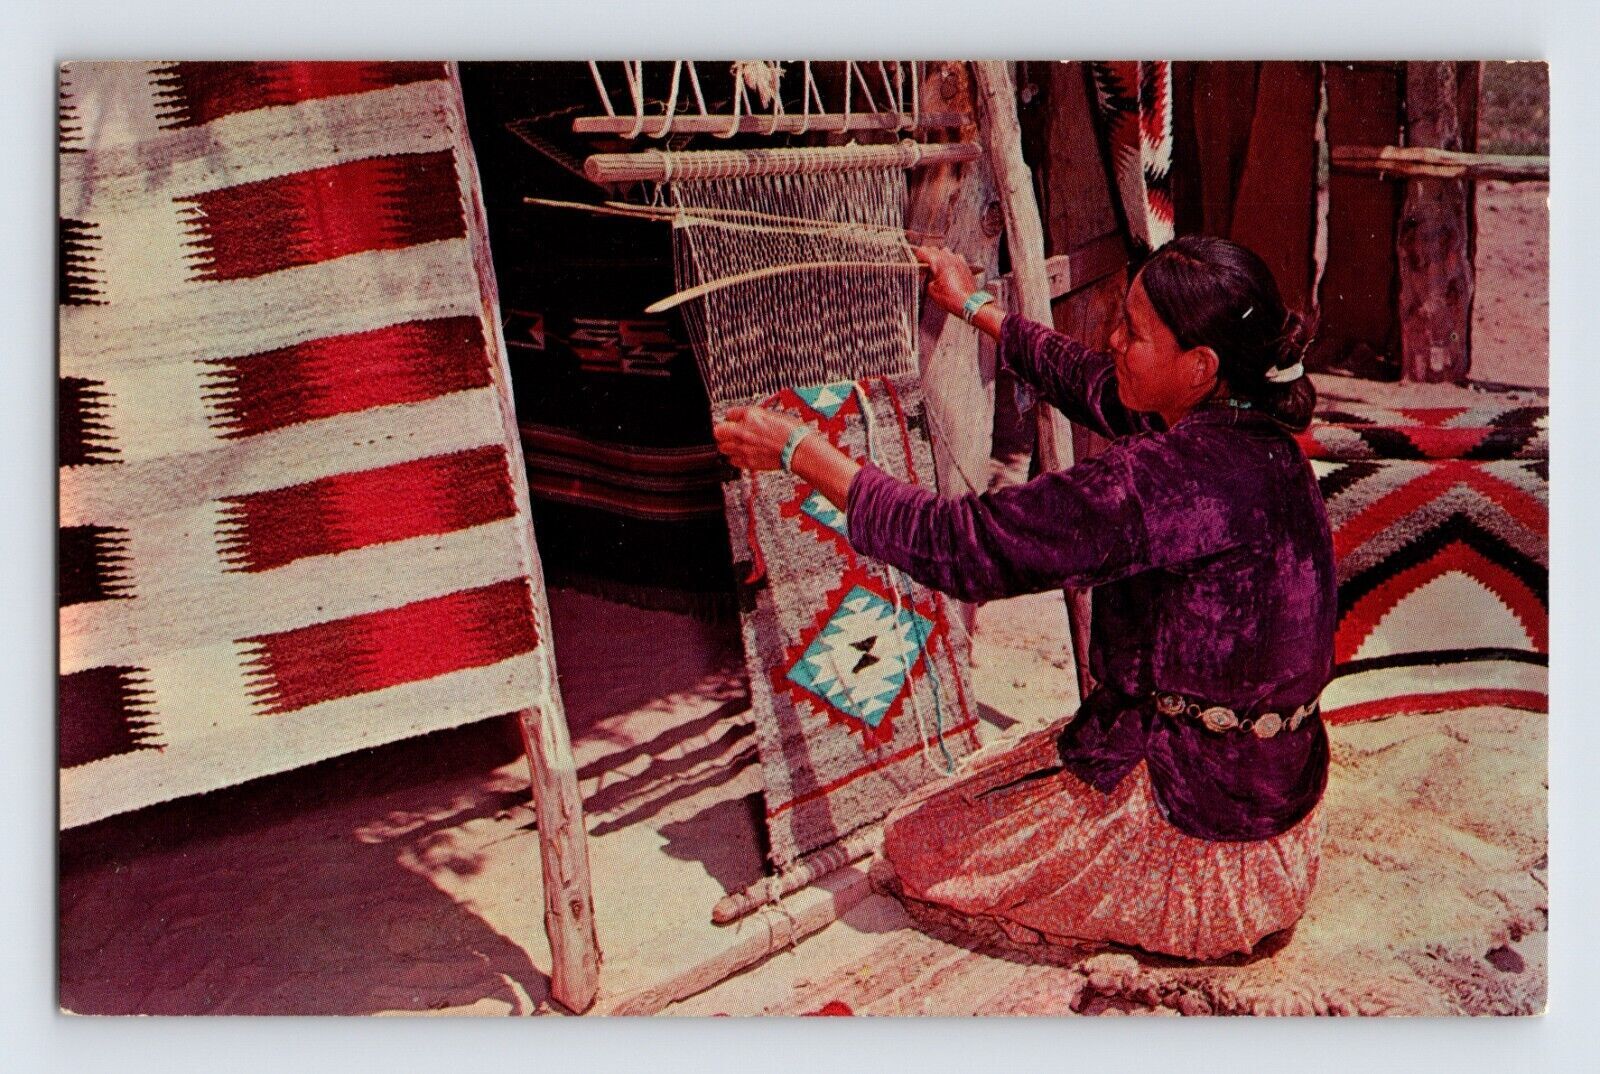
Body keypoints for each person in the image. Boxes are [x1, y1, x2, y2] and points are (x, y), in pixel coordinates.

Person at [712, 235, 1336, 961]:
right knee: (984, 796)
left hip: (1206, 831)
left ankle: (1175, 910)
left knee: (918, 845)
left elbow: (965, 546)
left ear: (1200, 366)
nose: (1112, 340)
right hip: (1272, 795)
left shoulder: (1170, 480)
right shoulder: (1244, 426)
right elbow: (1092, 380)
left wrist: (804, 453)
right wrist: (974, 306)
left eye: (1134, 332)